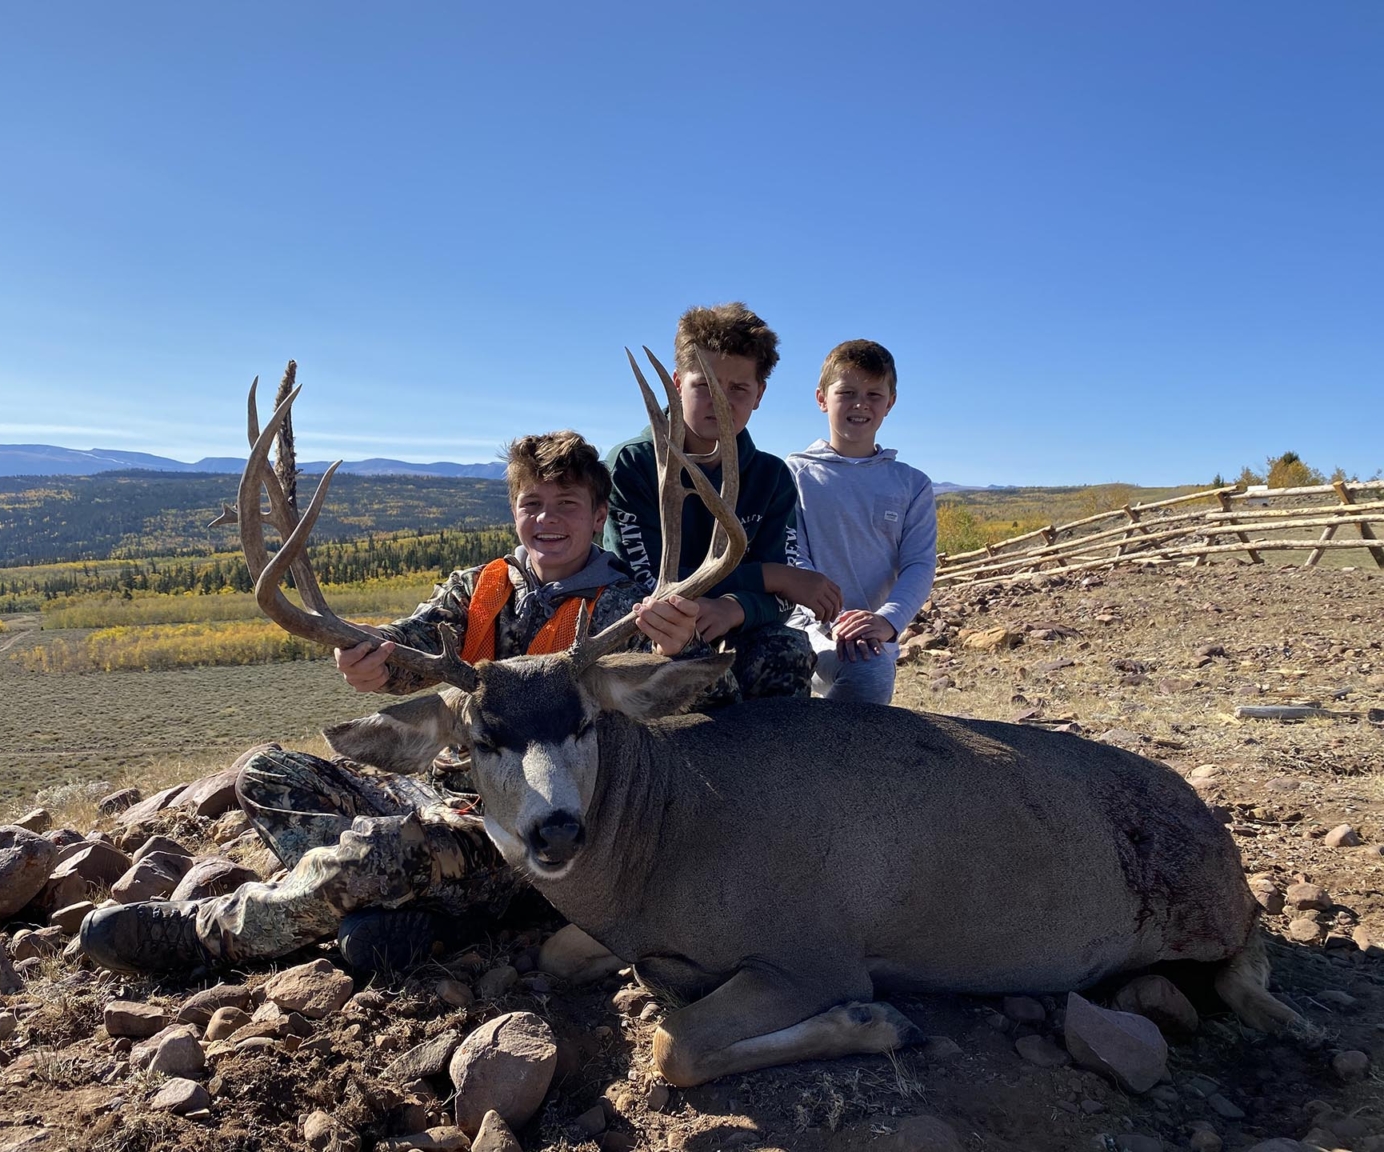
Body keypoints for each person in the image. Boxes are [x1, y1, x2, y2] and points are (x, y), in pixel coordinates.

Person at [80, 431, 690, 975]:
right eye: (532, 503)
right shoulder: (482, 586)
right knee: (266, 774)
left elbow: (685, 691)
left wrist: (677, 642)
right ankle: (404, 899)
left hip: (535, 829)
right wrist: (368, 658)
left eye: (567, 504)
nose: (547, 519)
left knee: (385, 851)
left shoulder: (624, 612)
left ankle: (207, 934)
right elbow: (408, 644)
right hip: (440, 793)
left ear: (599, 515)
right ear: (513, 511)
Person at [605, 302, 816, 704]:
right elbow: (645, 582)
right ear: (676, 382)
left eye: (738, 389)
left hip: (731, 624)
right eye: (705, 385)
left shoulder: (771, 476)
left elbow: (785, 598)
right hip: (654, 630)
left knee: (786, 648)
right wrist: (768, 576)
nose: (721, 401)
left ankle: (777, 748)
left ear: (759, 394)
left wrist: (735, 608)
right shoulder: (632, 465)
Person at [785, 340, 936, 704]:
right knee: (865, 673)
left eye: (873, 394)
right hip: (806, 628)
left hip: (873, 634)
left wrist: (887, 621)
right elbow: (792, 554)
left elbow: (919, 563)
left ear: (890, 402)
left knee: (870, 670)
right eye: (847, 393)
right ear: (822, 398)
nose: (860, 404)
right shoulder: (793, 475)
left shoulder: (912, 484)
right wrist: (833, 617)